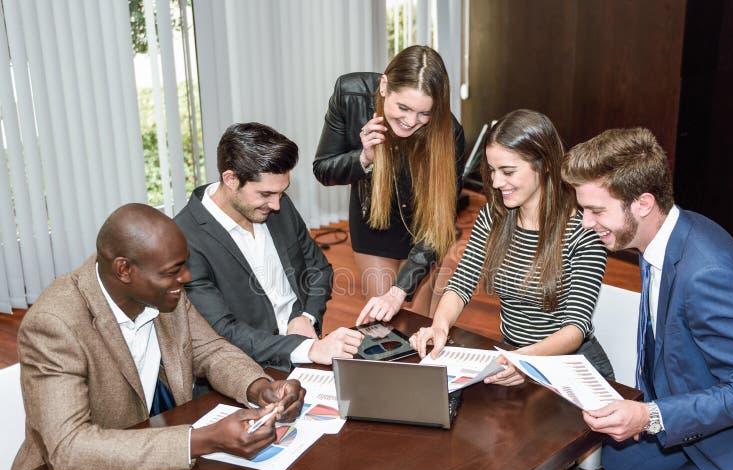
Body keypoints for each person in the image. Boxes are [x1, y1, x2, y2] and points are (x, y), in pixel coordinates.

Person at [562, 127, 733, 470]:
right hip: (690, 430)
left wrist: (650, 416)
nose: (585, 223)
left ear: (643, 203)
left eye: (596, 211)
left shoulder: (707, 271)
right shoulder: (658, 240)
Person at [11, 204, 306, 470]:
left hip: (149, 465)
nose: (186, 277)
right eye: (172, 271)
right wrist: (203, 440)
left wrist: (260, 387)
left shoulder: (162, 291)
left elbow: (210, 350)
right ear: (124, 270)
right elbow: (68, 449)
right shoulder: (55, 324)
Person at [410, 110, 614, 385]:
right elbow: (461, 283)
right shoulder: (494, 215)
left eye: (507, 172)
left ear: (545, 164)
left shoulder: (584, 229)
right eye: (492, 171)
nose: (496, 183)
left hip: (569, 367)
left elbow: (574, 330)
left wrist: (522, 361)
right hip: (513, 356)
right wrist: (440, 325)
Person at [175, 123, 364, 375]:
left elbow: (319, 270)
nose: (276, 205)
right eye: (265, 194)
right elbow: (222, 330)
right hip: (246, 372)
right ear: (231, 179)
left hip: (307, 352)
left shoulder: (276, 204)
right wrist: (305, 349)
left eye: (281, 192)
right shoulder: (185, 237)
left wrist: (306, 317)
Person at [313, 45, 466, 324]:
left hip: (425, 230)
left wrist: (399, 291)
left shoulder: (449, 133)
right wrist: (364, 158)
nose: (411, 121)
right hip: (374, 221)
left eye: (424, 113)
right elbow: (324, 170)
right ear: (384, 86)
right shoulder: (350, 95)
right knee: (382, 323)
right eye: (403, 108)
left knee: (414, 321)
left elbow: (438, 222)